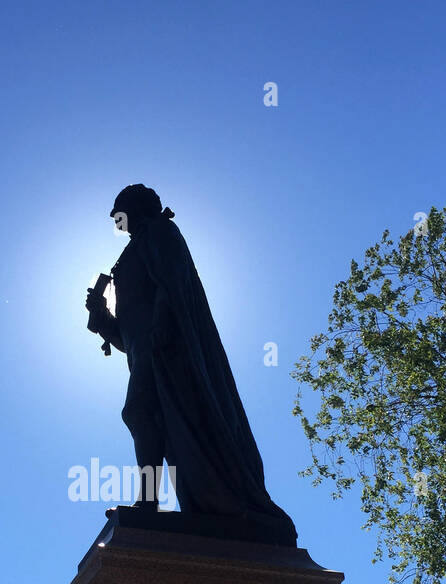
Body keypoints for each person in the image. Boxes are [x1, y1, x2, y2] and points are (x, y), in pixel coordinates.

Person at [85, 184, 297, 545]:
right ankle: (151, 502)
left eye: (119, 210)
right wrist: (101, 317)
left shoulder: (160, 232)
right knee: (148, 419)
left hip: (168, 351)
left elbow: (174, 285)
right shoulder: (131, 252)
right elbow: (127, 336)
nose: (114, 218)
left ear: (139, 208)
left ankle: (149, 504)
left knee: (140, 412)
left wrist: (162, 330)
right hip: (146, 353)